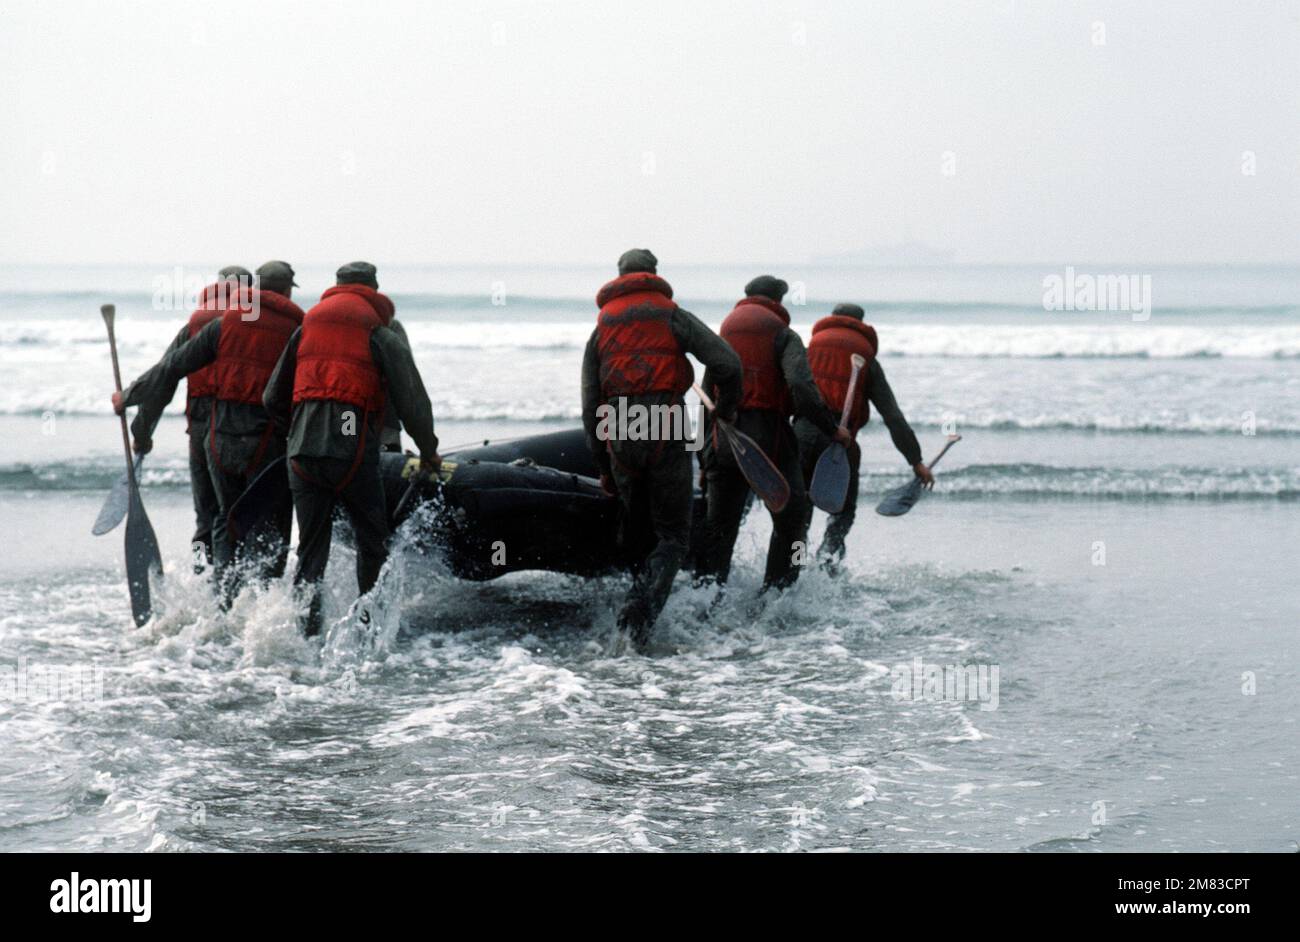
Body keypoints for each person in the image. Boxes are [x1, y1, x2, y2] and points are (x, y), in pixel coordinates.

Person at [262, 261, 441, 637]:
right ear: (374, 289)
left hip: (302, 455)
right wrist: (428, 451)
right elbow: (412, 401)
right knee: (372, 543)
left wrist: (293, 434)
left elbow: (272, 396)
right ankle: (367, 629)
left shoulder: (307, 326)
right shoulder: (380, 330)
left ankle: (306, 636)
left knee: (310, 553)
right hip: (353, 451)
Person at [581, 248, 742, 649]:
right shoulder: (671, 315)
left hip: (618, 427)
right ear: (653, 274)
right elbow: (728, 364)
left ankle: (630, 615)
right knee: (672, 535)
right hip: (665, 422)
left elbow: (589, 403)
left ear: (618, 277)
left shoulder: (602, 328)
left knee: (637, 530)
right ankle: (642, 618)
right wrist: (726, 410)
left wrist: (603, 463)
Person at [114, 261, 304, 600]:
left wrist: (137, 419)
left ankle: (209, 584)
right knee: (267, 523)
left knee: (213, 519)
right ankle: (263, 599)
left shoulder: (208, 322)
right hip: (265, 435)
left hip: (211, 434)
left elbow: (167, 374)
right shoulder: (292, 325)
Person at [697, 276, 849, 590]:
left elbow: (707, 398)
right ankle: (777, 594)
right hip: (771, 440)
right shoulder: (783, 334)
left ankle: (705, 601)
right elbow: (801, 387)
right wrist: (831, 429)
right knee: (791, 523)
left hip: (724, 441)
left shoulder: (724, 332)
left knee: (719, 528)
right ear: (778, 302)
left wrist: (704, 457)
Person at [123, 264, 251, 571]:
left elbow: (164, 380)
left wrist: (142, 432)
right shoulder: (254, 324)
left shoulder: (196, 324)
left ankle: (201, 576)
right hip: (247, 428)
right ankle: (239, 580)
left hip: (201, 425)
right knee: (242, 511)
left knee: (206, 515)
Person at [796, 303, 934, 565]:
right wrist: (915, 461)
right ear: (861, 323)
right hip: (841, 440)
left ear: (832, 319)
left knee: (798, 514)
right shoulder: (866, 357)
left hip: (802, 435)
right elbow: (892, 416)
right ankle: (826, 562)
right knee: (842, 511)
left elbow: (791, 390)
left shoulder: (809, 349)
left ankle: (794, 566)